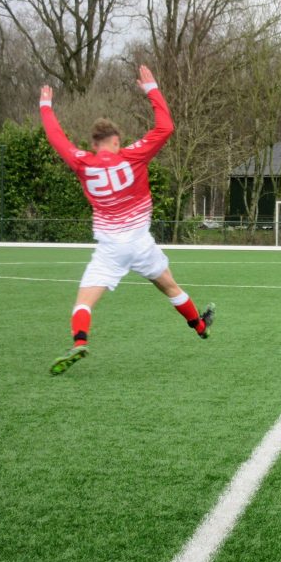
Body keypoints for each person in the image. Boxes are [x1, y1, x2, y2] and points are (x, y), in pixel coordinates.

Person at [40, 65, 214, 375]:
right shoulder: (133, 155)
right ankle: (199, 325)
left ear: (93, 144)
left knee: (84, 301)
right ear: (117, 141)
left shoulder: (83, 163)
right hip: (140, 243)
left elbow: (56, 139)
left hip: (110, 248)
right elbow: (166, 127)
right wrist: (152, 89)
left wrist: (46, 106)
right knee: (170, 287)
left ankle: (80, 342)